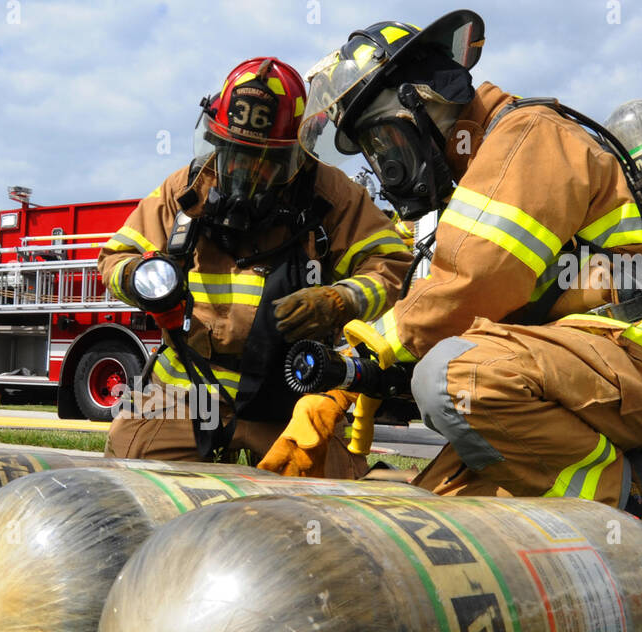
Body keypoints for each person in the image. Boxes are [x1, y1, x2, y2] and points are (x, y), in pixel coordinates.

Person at [261, 11, 642, 544]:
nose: (387, 166)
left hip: (624, 352)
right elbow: (449, 303)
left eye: (383, 143)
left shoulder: (529, 137)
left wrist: (361, 356)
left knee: (450, 380)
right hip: (564, 363)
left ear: (423, 99)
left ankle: (628, 500)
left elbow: (474, 281)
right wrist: (350, 386)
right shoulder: (481, 170)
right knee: (436, 519)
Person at [98, 56, 411, 477]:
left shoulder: (332, 196)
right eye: (234, 154)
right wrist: (140, 279)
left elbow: (391, 264)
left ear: (298, 155)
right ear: (215, 141)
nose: (245, 174)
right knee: (126, 481)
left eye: (266, 160)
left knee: (328, 508)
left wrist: (342, 299)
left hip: (291, 389)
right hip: (187, 385)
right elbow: (116, 256)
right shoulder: (184, 190)